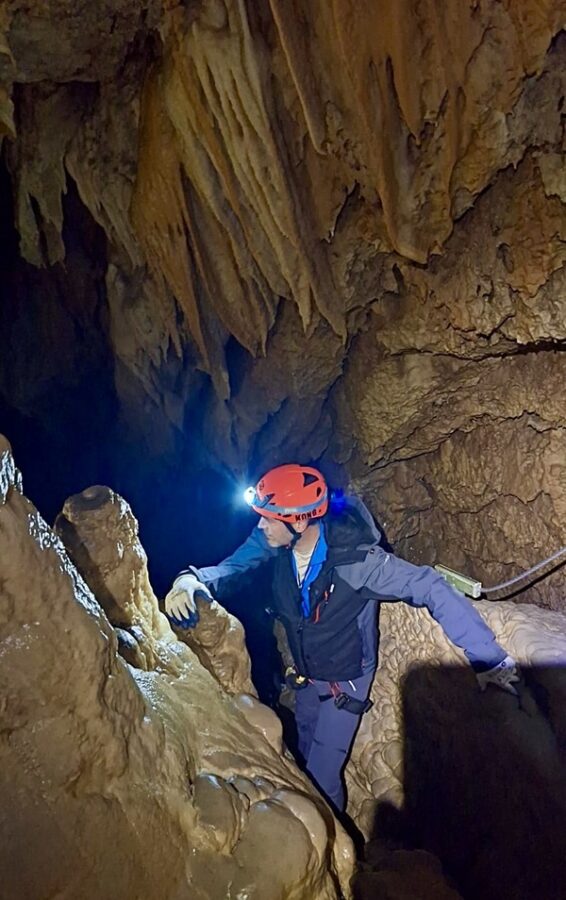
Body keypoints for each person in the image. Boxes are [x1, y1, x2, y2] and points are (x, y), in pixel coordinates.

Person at [165, 463, 519, 812]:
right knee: (302, 752)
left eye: (268, 518)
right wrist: (191, 579)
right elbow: (233, 567)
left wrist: (489, 660)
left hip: (344, 681)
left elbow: (429, 586)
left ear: (299, 522)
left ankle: (336, 844)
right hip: (307, 674)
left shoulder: (358, 563)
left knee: (321, 779)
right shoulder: (275, 541)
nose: (260, 525)